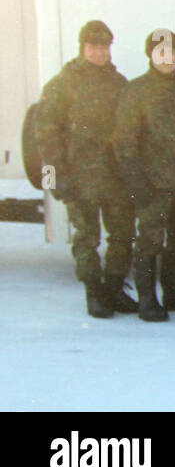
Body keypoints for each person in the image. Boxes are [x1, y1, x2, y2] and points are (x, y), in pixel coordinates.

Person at [35, 19, 134, 317]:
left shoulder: (119, 84)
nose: (99, 53)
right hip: (80, 177)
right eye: (93, 47)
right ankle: (93, 291)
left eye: (104, 47)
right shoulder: (61, 85)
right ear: (83, 48)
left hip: (115, 176)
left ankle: (115, 287)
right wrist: (55, 177)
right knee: (87, 237)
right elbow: (45, 135)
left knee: (122, 233)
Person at [114, 28, 175, 322]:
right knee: (150, 240)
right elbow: (124, 141)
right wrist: (136, 180)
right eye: (161, 53)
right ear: (150, 55)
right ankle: (147, 299)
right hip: (153, 182)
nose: (168, 58)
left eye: (172, 52)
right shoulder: (136, 91)